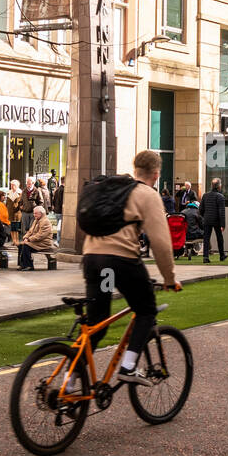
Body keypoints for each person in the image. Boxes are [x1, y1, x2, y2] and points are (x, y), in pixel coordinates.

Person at [82, 150, 180, 385]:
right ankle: (128, 366)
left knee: (97, 323)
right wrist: (169, 278)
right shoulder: (146, 194)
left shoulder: (113, 189)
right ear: (156, 174)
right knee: (146, 310)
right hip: (120, 261)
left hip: (94, 261)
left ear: (135, 169)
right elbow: (160, 243)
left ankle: (71, 380)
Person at [17, 205, 58, 271]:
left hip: (44, 243)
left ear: (41, 213)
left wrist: (29, 239)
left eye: (36, 213)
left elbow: (41, 235)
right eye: (34, 213)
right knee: (21, 245)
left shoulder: (45, 222)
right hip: (37, 242)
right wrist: (26, 237)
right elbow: (30, 231)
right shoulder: (36, 220)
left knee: (26, 246)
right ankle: (22, 265)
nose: (34, 215)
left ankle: (29, 266)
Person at [199, 178, 227, 263]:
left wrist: (204, 217)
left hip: (207, 219)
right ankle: (222, 255)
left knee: (206, 238)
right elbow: (221, 212)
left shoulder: (205, 195)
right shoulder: (220, 197)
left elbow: (201, 209)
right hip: (216, 220)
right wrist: (223, 224)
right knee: (219, 238)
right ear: (219, 186)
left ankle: (205, 257)